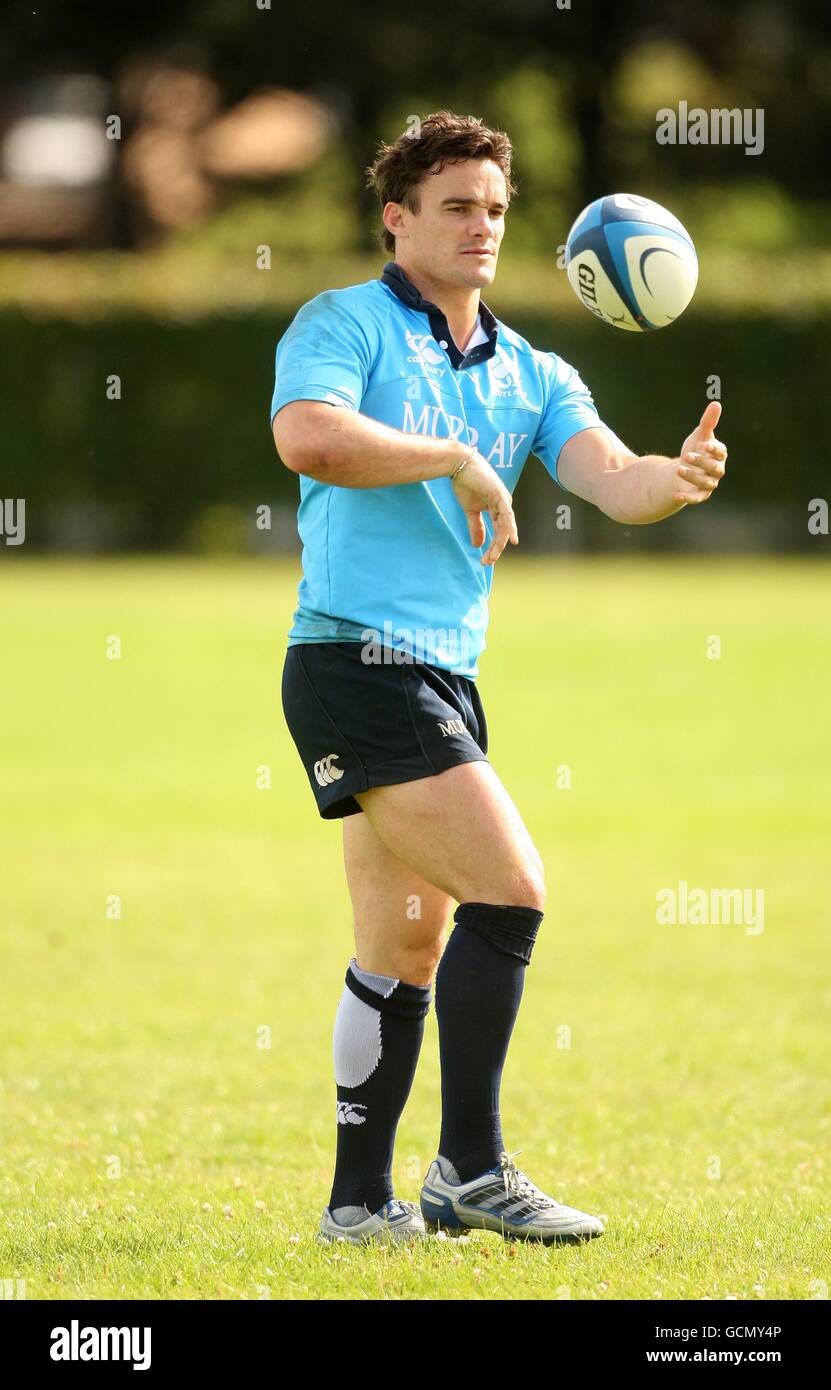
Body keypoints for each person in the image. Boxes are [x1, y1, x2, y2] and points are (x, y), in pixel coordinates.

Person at [270, 111, 727, 1245]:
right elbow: (309, 438)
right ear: (397, 217)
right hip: (353, 660)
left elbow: (614, 482)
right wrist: (460, 458)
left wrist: (676, 476)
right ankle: (470, 1169)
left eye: (495, 209)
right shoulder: (343, 323)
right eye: (456, 206)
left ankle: (357, 1207)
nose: (481, 227)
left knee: (403, 947)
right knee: (513, 890)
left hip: (444, 676)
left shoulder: (533, 368)